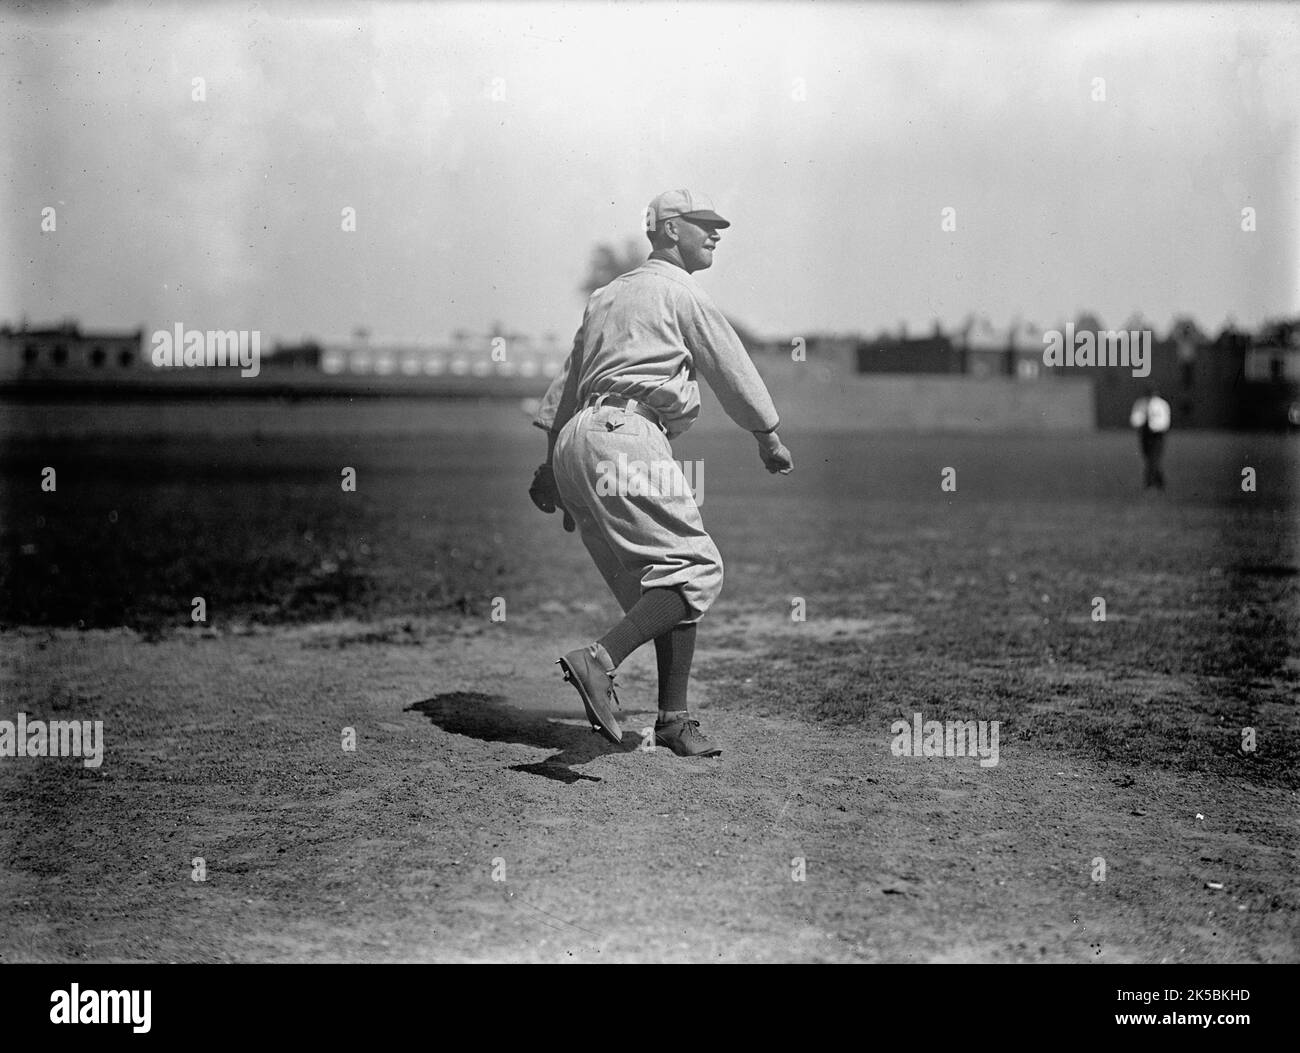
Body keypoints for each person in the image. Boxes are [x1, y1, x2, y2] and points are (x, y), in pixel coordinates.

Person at [527, 189, 793, 758]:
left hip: (579, 441)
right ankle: (597, 661)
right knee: (694, 568)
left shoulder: (607, 295)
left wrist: (555, 471)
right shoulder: (678, 290)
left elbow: (566, 389)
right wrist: (766, 433)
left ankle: (673, 720)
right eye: (704, 225)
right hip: (629, 435)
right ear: (671, 230)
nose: (716, 233)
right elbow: (730, 366)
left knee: (665, 580)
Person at [1129, 386, 1171, 489]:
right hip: (1145, 433)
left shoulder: (1161, 404)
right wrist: (1142, 421)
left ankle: (1150, 482)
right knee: (1148, 457)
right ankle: (1158, 481)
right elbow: (1134, 419)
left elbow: (1165, 421)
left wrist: (1154, 425)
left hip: (1157, 435)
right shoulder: (1140, 403)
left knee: (1154, 458)